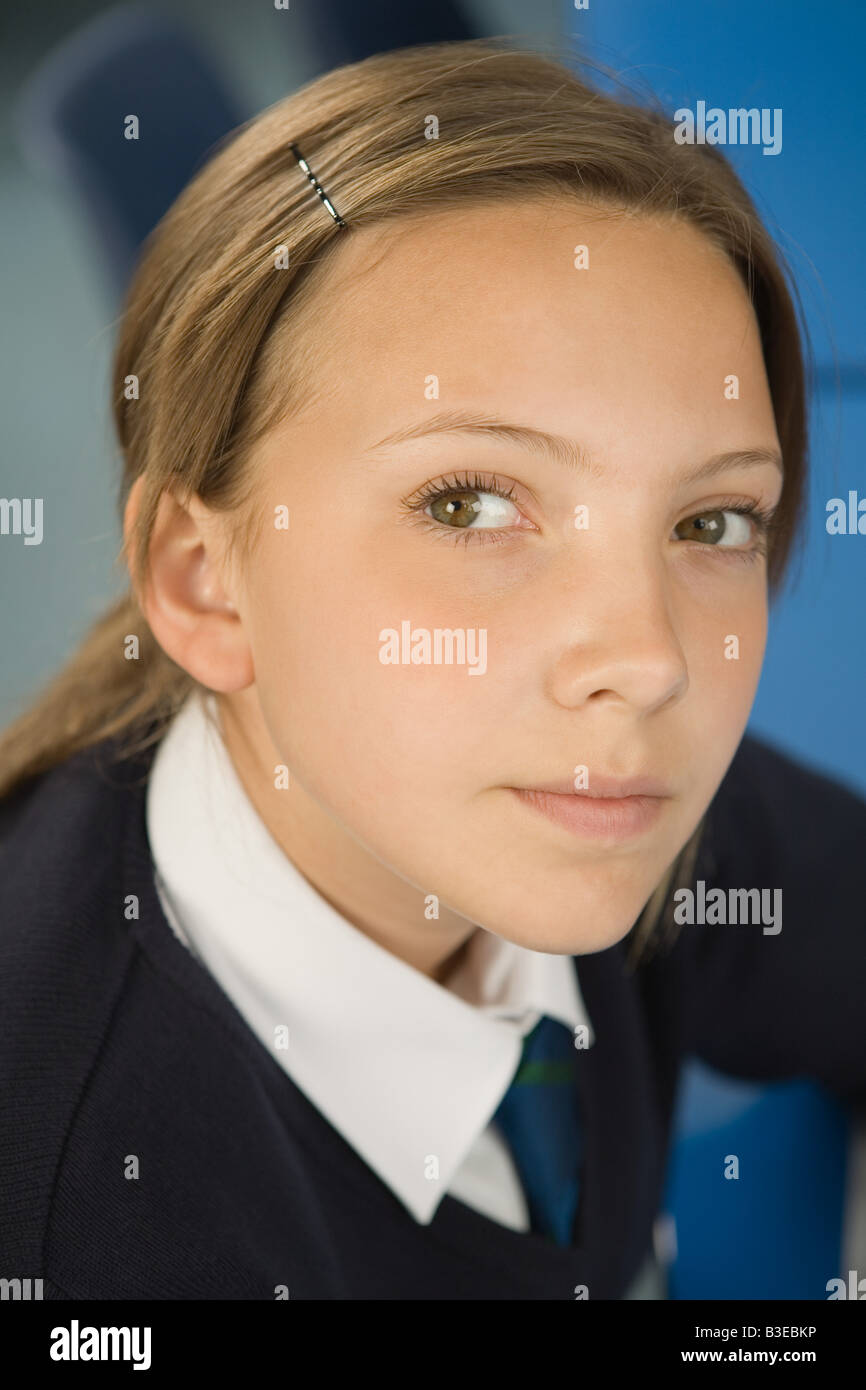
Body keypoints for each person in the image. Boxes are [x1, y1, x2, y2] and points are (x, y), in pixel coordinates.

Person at [1, 36, 864, 1301]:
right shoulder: (86, 1230)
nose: (646, 659)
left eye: (708, 521)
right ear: (201, 578)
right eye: (466, 504)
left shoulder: (584, 791)